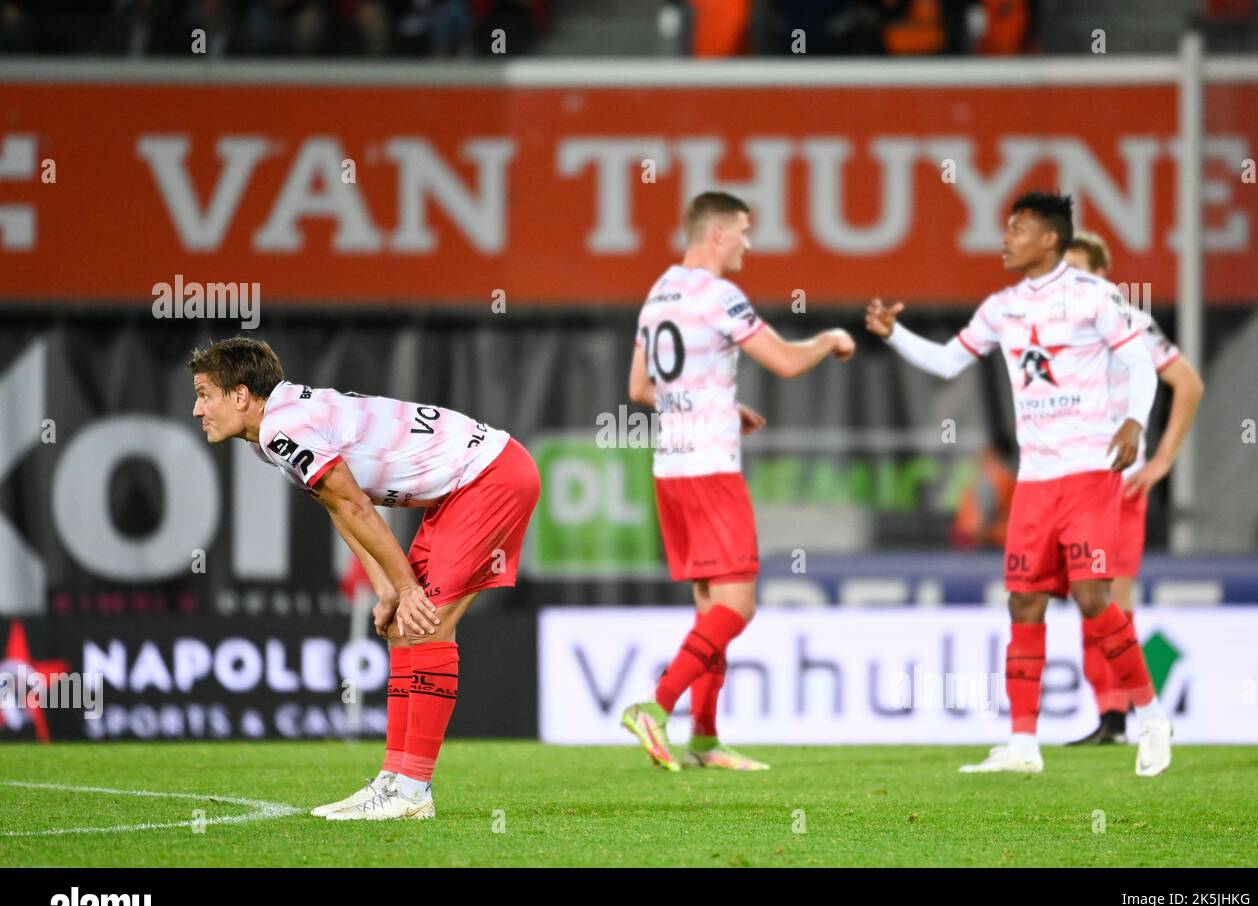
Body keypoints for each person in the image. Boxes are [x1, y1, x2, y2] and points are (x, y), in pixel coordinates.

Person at [865, 191, 1173, 776]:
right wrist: (893, 334)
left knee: (1091, 600)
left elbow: (1139, 364)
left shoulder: (1095, 296)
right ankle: (1024, 746)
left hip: (1087, 472)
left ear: (1049, 239)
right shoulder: (1001, 307)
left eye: (1018, 228)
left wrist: (1133, 420)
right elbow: (948, 361)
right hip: (1034, 480)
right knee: (1023, 603)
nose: (1005, 238)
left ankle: (1153, 719)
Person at [189, 336, 539, 818]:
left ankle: (413, 792)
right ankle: (394, 780)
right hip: (465, 486)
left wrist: (408, 587)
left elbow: (355, 503)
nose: (196, 408)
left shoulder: (280, 430)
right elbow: (341, 507)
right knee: (402, 623)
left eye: (205, 393)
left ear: (241, 395)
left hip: (490, 476)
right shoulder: (273, 434)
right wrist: (387, 589)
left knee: (427, 622)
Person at [620, 191, 856, 772]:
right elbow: (787, 361)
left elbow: (640, 390)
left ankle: (704, 740)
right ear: (718, 234)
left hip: (670, 467)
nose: (750, 243)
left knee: (710, 611)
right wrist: (829, 339)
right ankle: (657, 706)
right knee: (739, 606)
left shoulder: (659, 292)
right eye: (745, 231)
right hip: (708, 470)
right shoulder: (719, 295)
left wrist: (724, 407)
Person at [1063, 231, 1204, 745]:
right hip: (1074, 487)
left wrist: (1163, 459)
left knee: (1112, 601)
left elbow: (1187, 381)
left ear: (1103, 275)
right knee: (1088, 599)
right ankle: (1110, 716)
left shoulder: (1129, 321)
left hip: (1120, 488)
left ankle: (1127, 714)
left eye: (1081, 272)